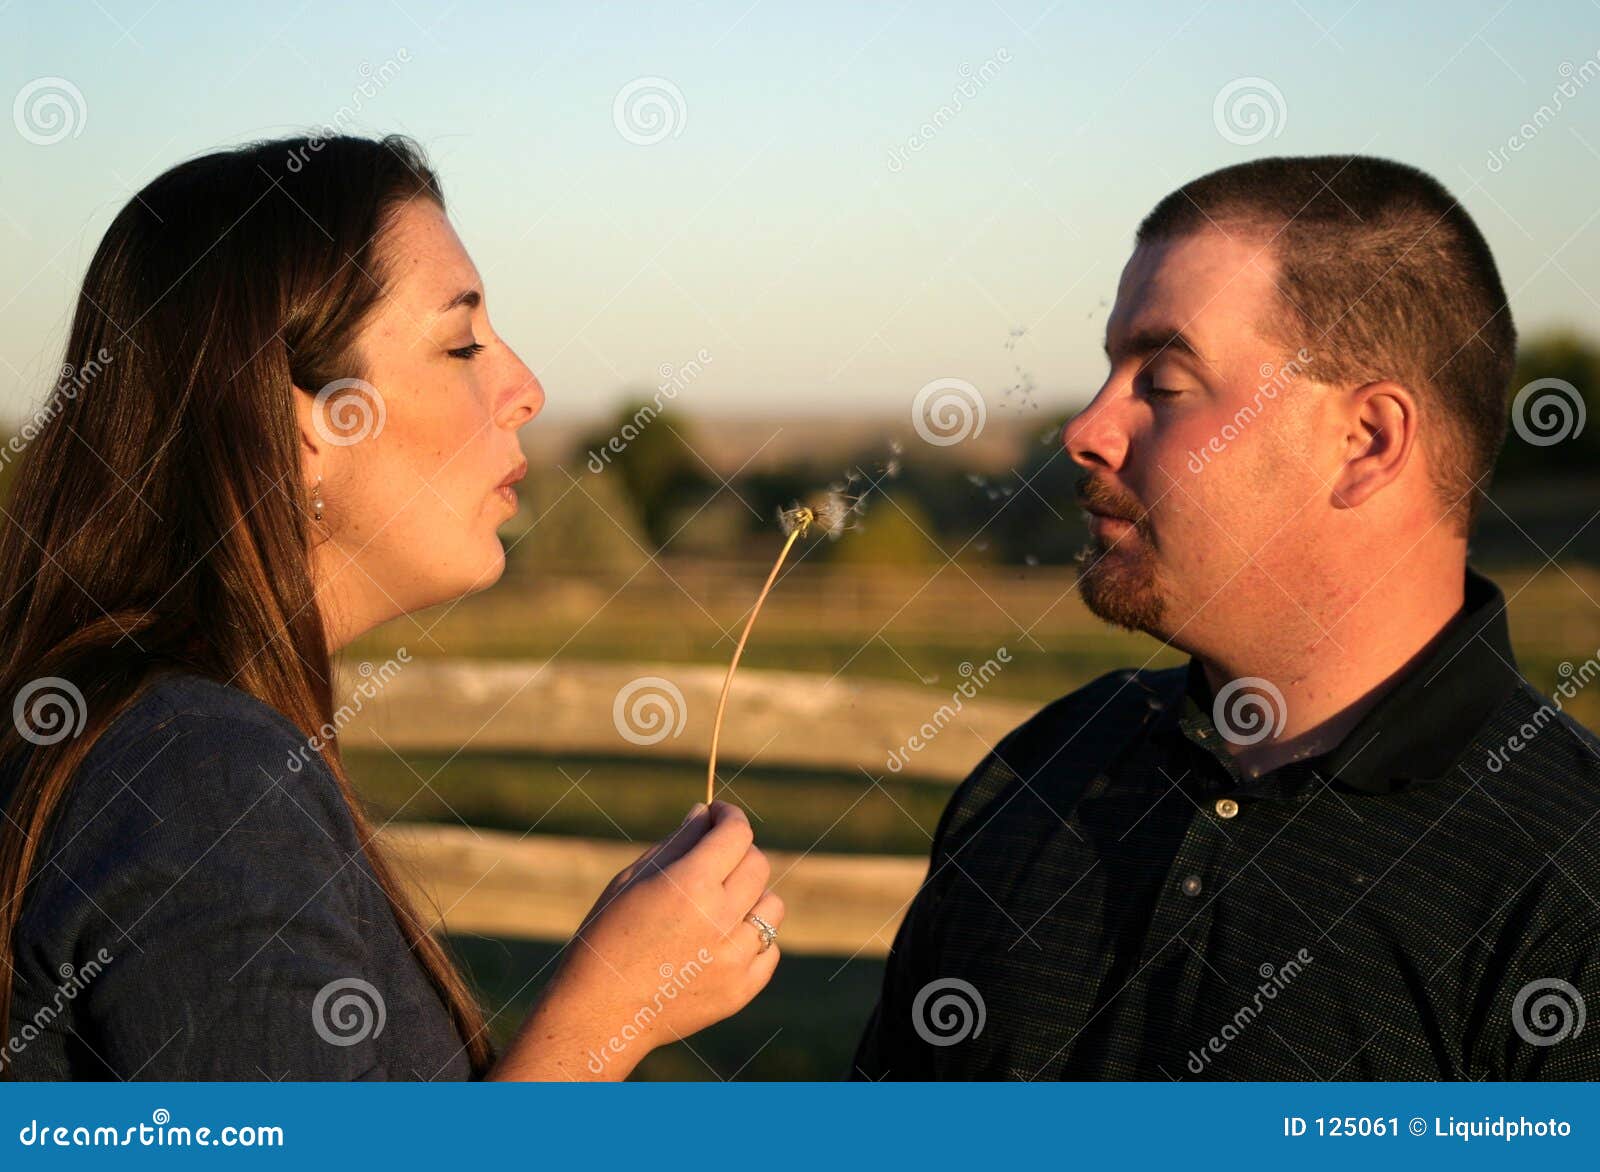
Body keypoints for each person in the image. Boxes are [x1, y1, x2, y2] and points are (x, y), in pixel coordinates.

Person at [0, 135, 783, 1081]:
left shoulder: (148, 735)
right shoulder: (202, 780)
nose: (525, 390)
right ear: (311, 425)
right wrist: (606, 1017)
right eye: (460, 345)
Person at [853, 155, 1600, 1080]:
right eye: (1108, 372)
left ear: (1366, 442)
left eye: (1162, 384)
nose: (1086, 427)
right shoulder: (1038, 776)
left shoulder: (1565, 897)